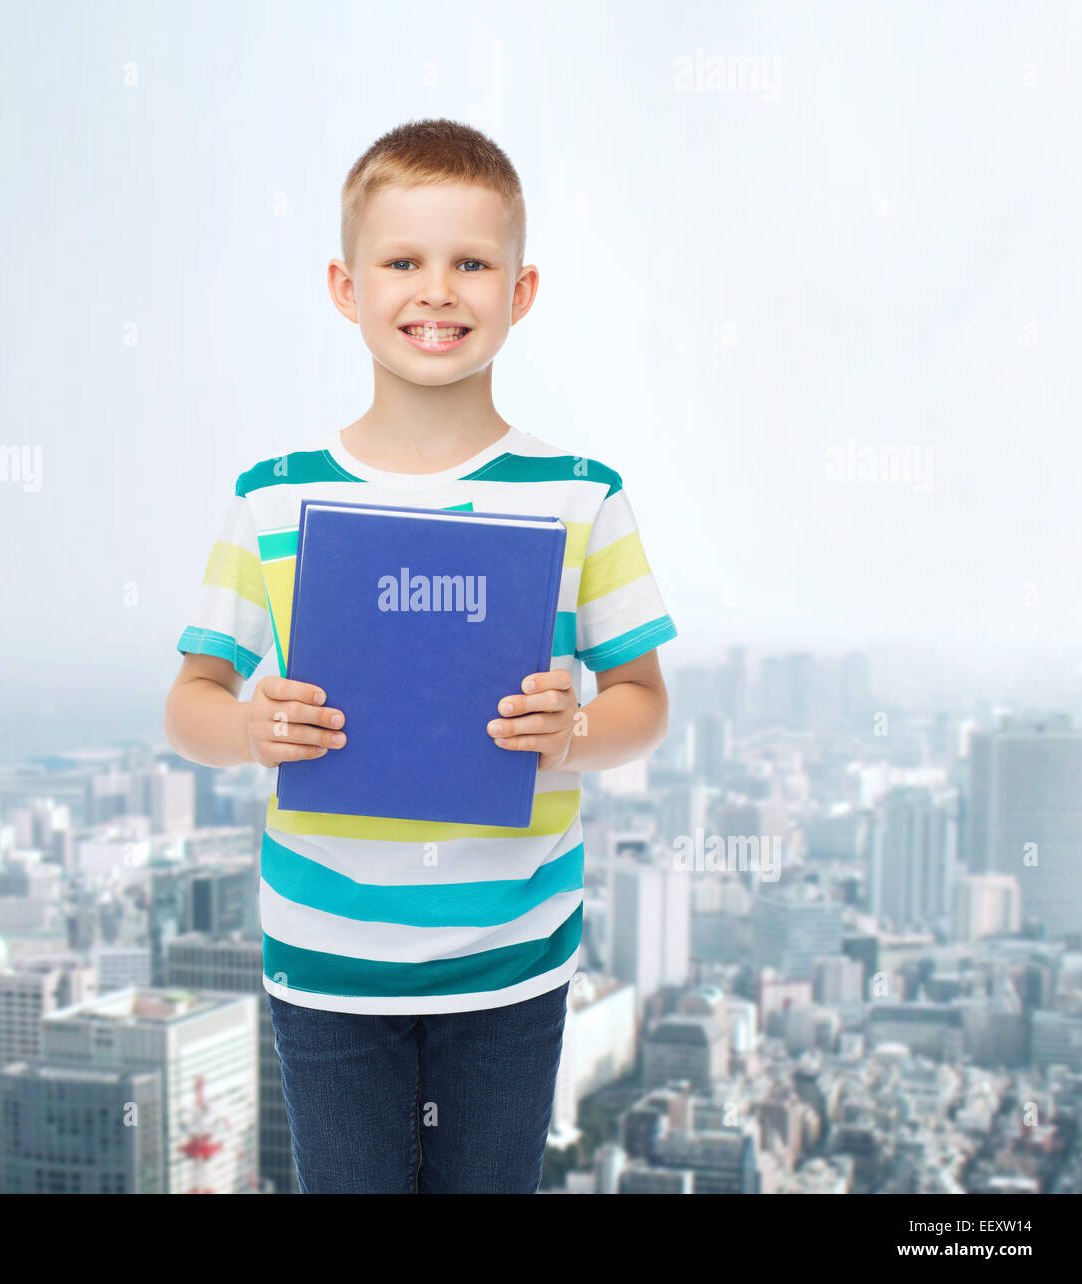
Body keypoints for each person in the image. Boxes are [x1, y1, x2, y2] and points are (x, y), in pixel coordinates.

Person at [163, 117, 677, 1194]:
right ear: (346, 288)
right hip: (327, 960)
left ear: (519, 291)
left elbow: (642, 700)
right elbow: (191, 702)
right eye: (402, 262)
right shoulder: (274, 494)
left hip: (514, 958)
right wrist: (249, 725)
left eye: (470, 265)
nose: (436, 292)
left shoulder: (583, 491)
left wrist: (574, 734)